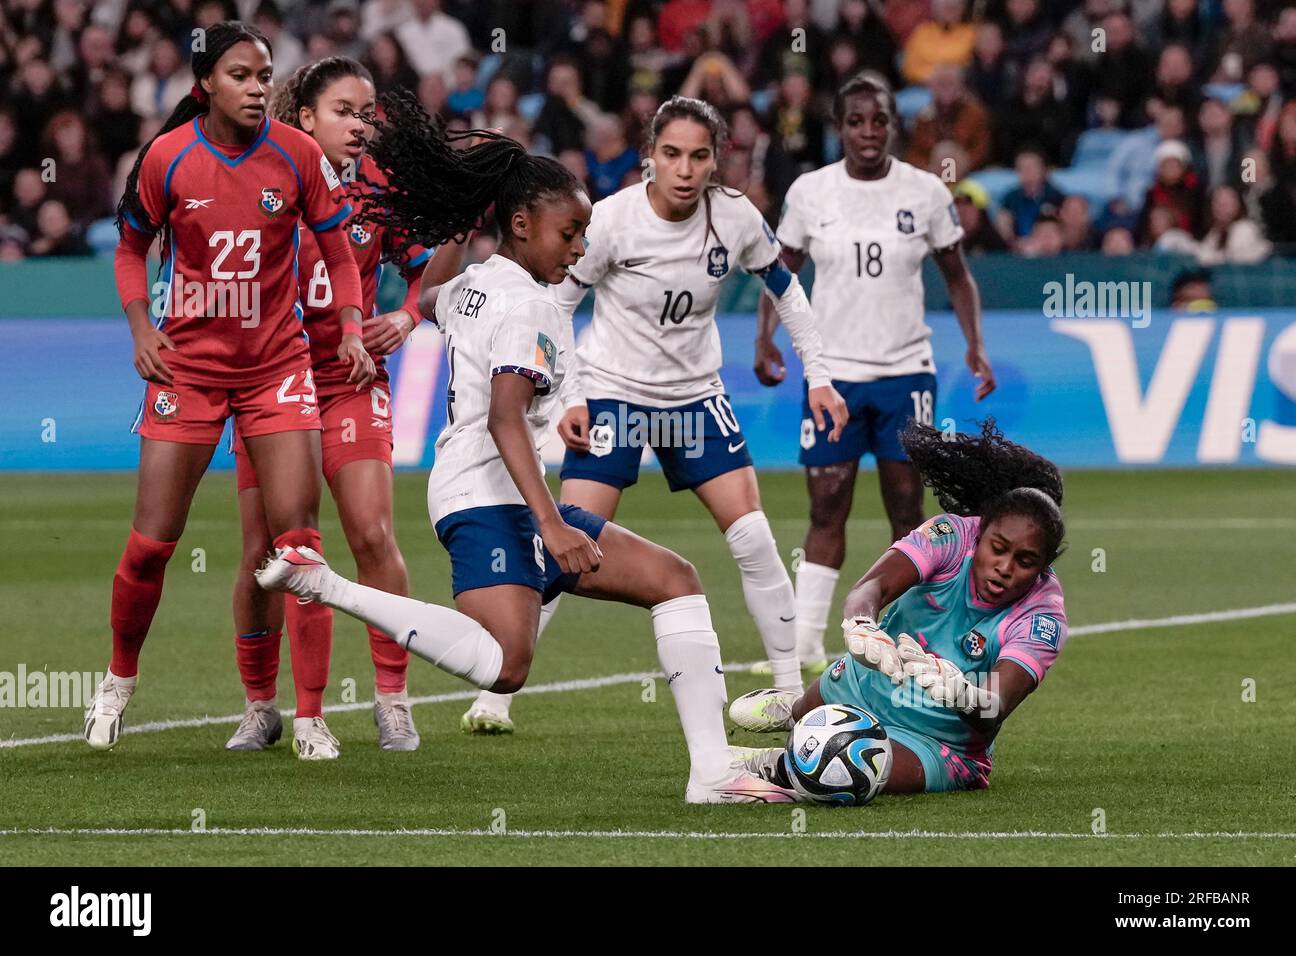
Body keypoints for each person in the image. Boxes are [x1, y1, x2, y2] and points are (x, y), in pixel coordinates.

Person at [255, 90, 791, 804]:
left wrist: (442, 248)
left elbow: (438, 292)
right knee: (505, 667)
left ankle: (711, 773)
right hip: (489, 497)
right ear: (519, 223)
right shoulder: (529, 303)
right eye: (569, 234)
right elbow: (507, 419)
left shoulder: (482, 282)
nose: (579, 249)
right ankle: (324, 583)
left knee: (676, 579)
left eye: (584, 234)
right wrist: (553, 525)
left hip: (482, 490)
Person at [459, 94, 848, 735]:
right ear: (650, 159)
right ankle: (498, 693)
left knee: (752, 536)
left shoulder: (736, 219)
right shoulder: (610, 221)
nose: (686, 169)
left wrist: (822, 378)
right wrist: (571, 394)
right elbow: (559, 303)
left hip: (695, 396)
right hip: (613, 393)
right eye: (672, 154)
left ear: (716, 160)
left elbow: (787, 289)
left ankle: (790, 694)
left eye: (699, 155)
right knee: (566, 540)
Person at [83, 21, 375, 753]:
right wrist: (141, 326)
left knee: (298, 545)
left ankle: (309, 716)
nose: (255, 88)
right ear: (206, 82)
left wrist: (345, 320)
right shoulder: (168, 158)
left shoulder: (298, 154)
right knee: (152, 545)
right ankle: (118, 680)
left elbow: (339, 251)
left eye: (264, 75)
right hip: (188, 370)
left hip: (277, 369)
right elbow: (129, 247)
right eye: (241, 75)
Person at [224, 56, 462, 758]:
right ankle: (262, 706)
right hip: (269, 389)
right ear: (303, 117)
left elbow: (435, 265)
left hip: (351, 383)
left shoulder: (378, 194)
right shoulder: (258, 185)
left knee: (372, 535)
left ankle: (392, 700)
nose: (360, 126)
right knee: (262, 554)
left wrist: (411, 314)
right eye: (343, 112)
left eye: (366, 114)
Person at [751, 72, 995, 679]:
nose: (868, 131)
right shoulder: (811, 192)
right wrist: (764, 337)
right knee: (827, 503)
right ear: (840, 127)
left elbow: (957, 274)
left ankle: (903, 637)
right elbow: (781, 272)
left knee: (906, 505)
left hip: (905, 371)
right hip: (830, 375)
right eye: (856, 121)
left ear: (894, 125)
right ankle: (806, 641)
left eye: (879, 120)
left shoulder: (926, 192)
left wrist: (975, 346)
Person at [731, 419, 1069, 796]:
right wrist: (860, 622)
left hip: (936, 743)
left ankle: (776, 764)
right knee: (815, 718)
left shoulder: (1044, 616)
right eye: (998, 548)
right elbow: (872, 587)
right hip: (866, 683)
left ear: (1043, 566)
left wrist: (963, 693)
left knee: (846, 769)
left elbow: (996, 704)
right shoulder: (952, 536)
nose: (1005, 567)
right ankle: (796, 710)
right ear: (981, 529)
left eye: (1025, 561)